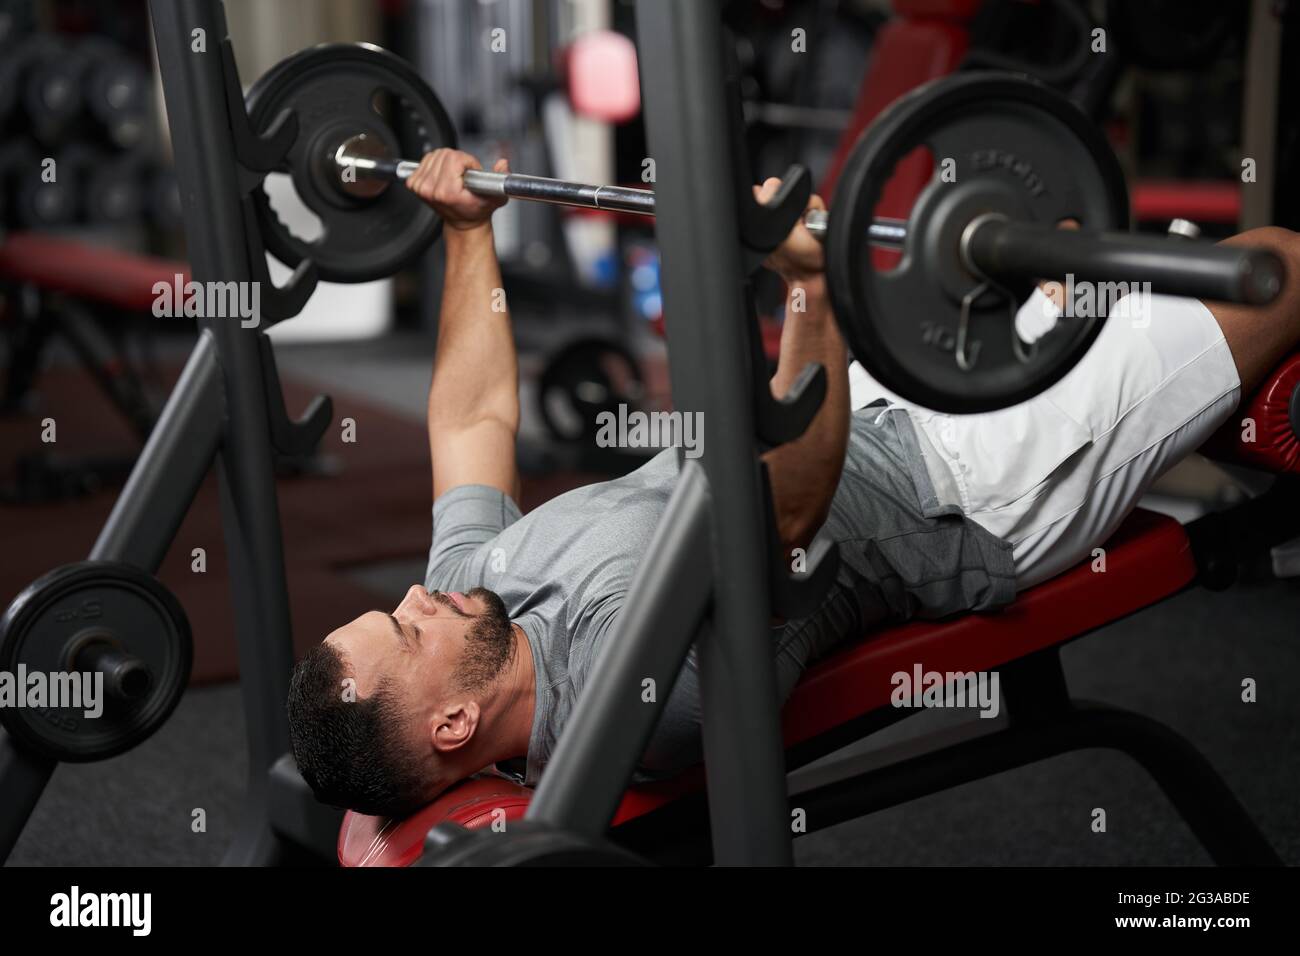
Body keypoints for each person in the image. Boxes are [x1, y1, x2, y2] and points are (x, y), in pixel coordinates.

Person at [287, 148, 1300, 819]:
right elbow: (787, 518)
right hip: (976, 479)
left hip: (869, 401)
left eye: (396, 607)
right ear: (453, 726)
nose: (417, 594)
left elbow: (470, 417)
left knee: (1084, 251)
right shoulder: (632, 695)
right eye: (408, 629)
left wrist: (468, 230)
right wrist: (812, 290)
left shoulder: (476, 593)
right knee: (1274, 267)